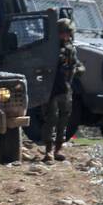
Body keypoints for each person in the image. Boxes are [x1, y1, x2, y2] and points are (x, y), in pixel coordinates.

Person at [43, 17, 85, 163]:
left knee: (63, 120)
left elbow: (78, 65)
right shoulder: (50, 48)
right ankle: (48, 150)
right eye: (63, 33)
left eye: (67, 33)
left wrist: (77, 69)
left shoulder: (71, 49)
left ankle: (58, 149)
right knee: (51, 119)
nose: (65, 36)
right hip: (52, 88)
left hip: (65, 88)